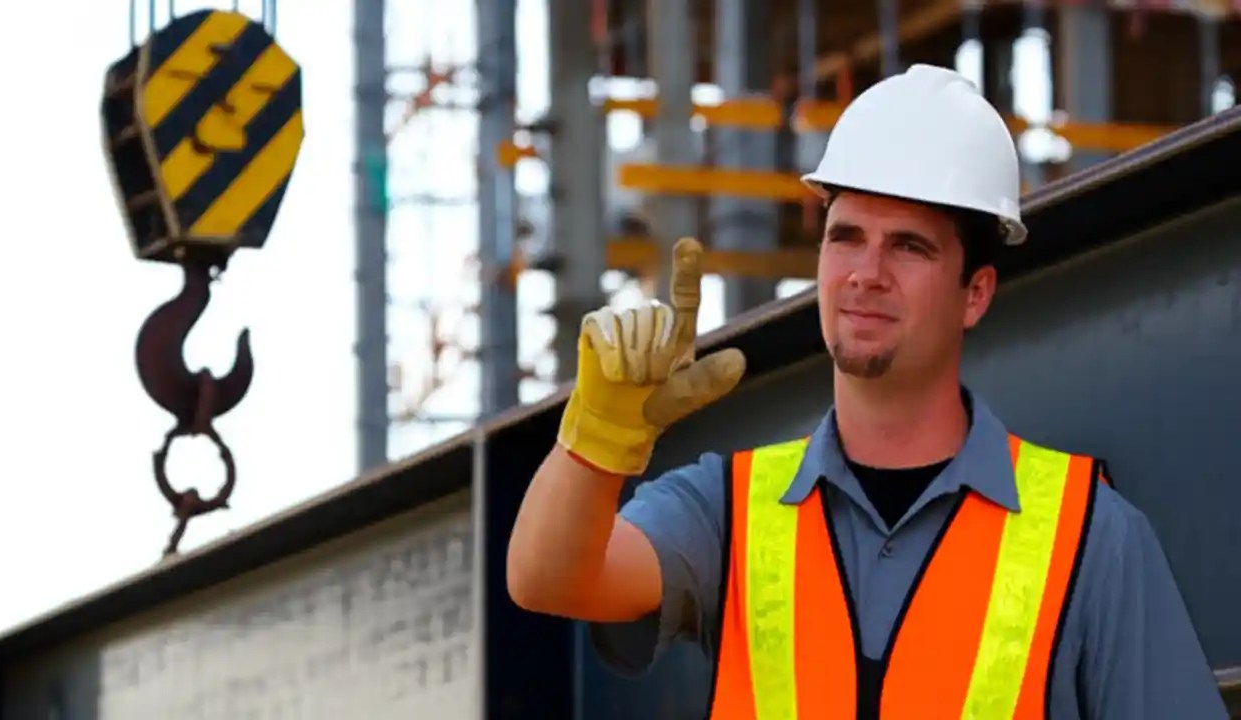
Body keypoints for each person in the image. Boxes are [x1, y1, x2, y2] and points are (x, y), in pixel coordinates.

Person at [506, 64, 1227, 719]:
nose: (866, 273)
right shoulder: (729, 511)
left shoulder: (1091, 538)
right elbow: (547, 580)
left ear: (975, 293)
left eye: (909, 246)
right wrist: (597, 440)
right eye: (846, 236)